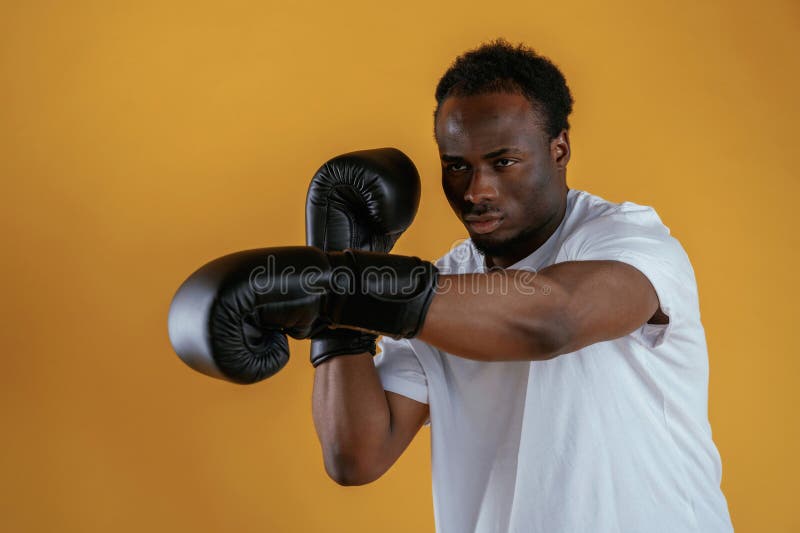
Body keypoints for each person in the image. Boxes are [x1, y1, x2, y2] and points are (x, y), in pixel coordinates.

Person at [310, 40, 734, 532]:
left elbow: (554, 319)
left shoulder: (627, 241)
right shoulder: (436, 290)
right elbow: (356, 457)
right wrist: (339, 307)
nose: (476, 190)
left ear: (560, 149)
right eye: (456, 165)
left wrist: (350, 284)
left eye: (503, 162)